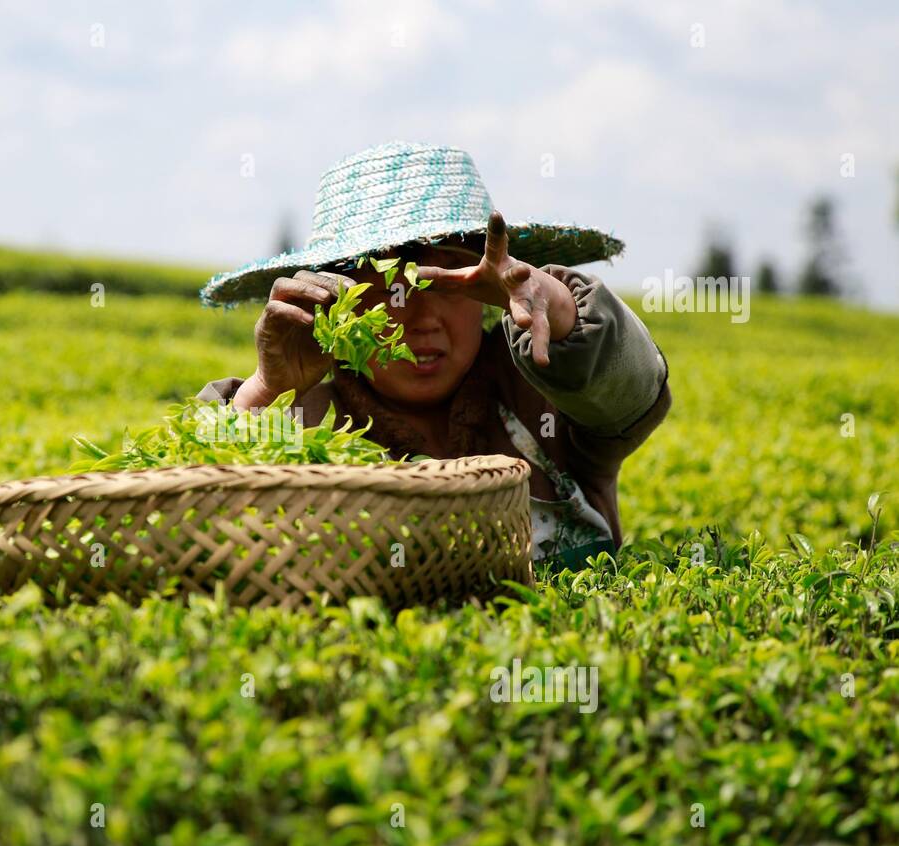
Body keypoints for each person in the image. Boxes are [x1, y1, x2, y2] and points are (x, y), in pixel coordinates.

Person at [198, 141, 670, 569]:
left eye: (446, 283)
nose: (421, 318)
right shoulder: (310, 420)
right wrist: (266, 389)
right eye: (387, 292)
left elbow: (632, 390)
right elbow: (204, 515)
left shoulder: (543, 388)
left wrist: (562, 307)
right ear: (338, 304)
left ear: (487, 290)